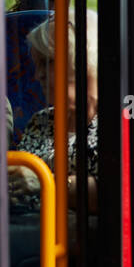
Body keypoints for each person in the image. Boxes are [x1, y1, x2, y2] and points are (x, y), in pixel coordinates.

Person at [8, 12, 99, 217]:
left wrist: (44, 181)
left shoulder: (119, 123)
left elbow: (115, 193)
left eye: (47, 62)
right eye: (37, 64)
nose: (37, 75)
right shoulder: (41, 121)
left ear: (82, 60)